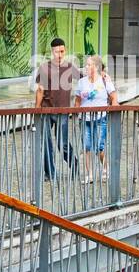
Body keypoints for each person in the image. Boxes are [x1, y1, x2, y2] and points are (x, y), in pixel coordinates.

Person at [32, 38, 79, 181]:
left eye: (62, 51)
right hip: (46, 110)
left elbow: (85, 80)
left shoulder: (70, 67)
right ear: (52, 51)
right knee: (46, 143)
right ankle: (50, 173)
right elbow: (40, 89)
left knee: (62, 143)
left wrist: (101, 75)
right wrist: (37, 109)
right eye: (57, 51)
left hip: (62, 112)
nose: (60, 54)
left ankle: (74, 165)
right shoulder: (45, 68)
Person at [73, 55, 117, 184]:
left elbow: (114, 96)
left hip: (100, 118)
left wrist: (113, 109)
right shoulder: (82, 82)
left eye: (89, 64)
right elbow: (77, 100)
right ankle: (89, 175)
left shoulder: (104, 81)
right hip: (84, 119)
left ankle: (105, 168)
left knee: (99, 147)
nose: (86, 67)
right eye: (86, 64)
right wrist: (76, 113)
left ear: (96, 67)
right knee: (87, 147)